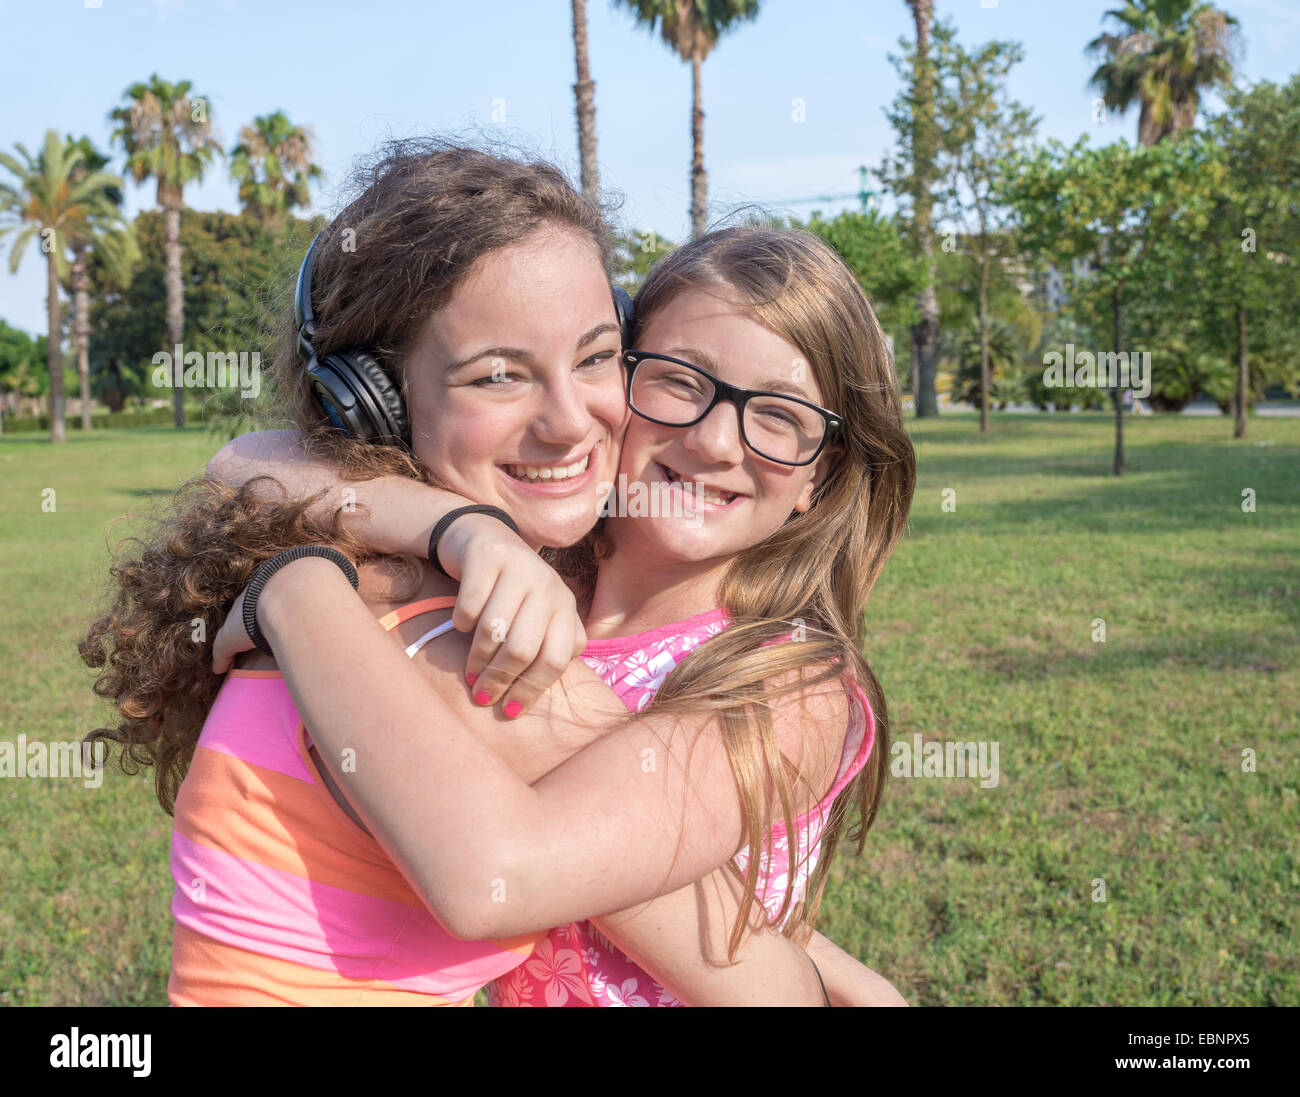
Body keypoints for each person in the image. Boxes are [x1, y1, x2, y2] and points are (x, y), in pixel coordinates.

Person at [203, 172, 914, 1002]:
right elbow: (248, 456)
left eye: (781, 415)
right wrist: (462, 526)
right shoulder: (530, 586)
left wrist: (293, 591)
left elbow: (511, 873)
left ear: (820, 481)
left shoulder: (788, 686)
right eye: (679, 380)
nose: (719, 440)